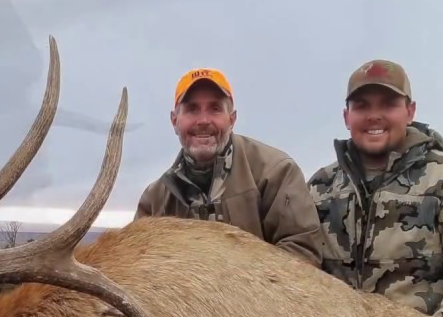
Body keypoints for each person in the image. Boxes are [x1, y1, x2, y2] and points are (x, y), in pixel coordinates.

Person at [307, 59, 443, 317]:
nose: (374, 116)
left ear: (410, 112)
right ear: (346, 117)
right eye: (362, 106)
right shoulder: (319, 186)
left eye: (388, 104)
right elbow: (301, 268)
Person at [134, 67, 327, 268]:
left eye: (215, 108)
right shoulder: (154, 200)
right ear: (174, 121)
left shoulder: (276, 172)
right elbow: (138, 268)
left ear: (232, 119)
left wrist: (226, 289)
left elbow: (303, 255)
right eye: (192, 109)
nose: (203, 120)